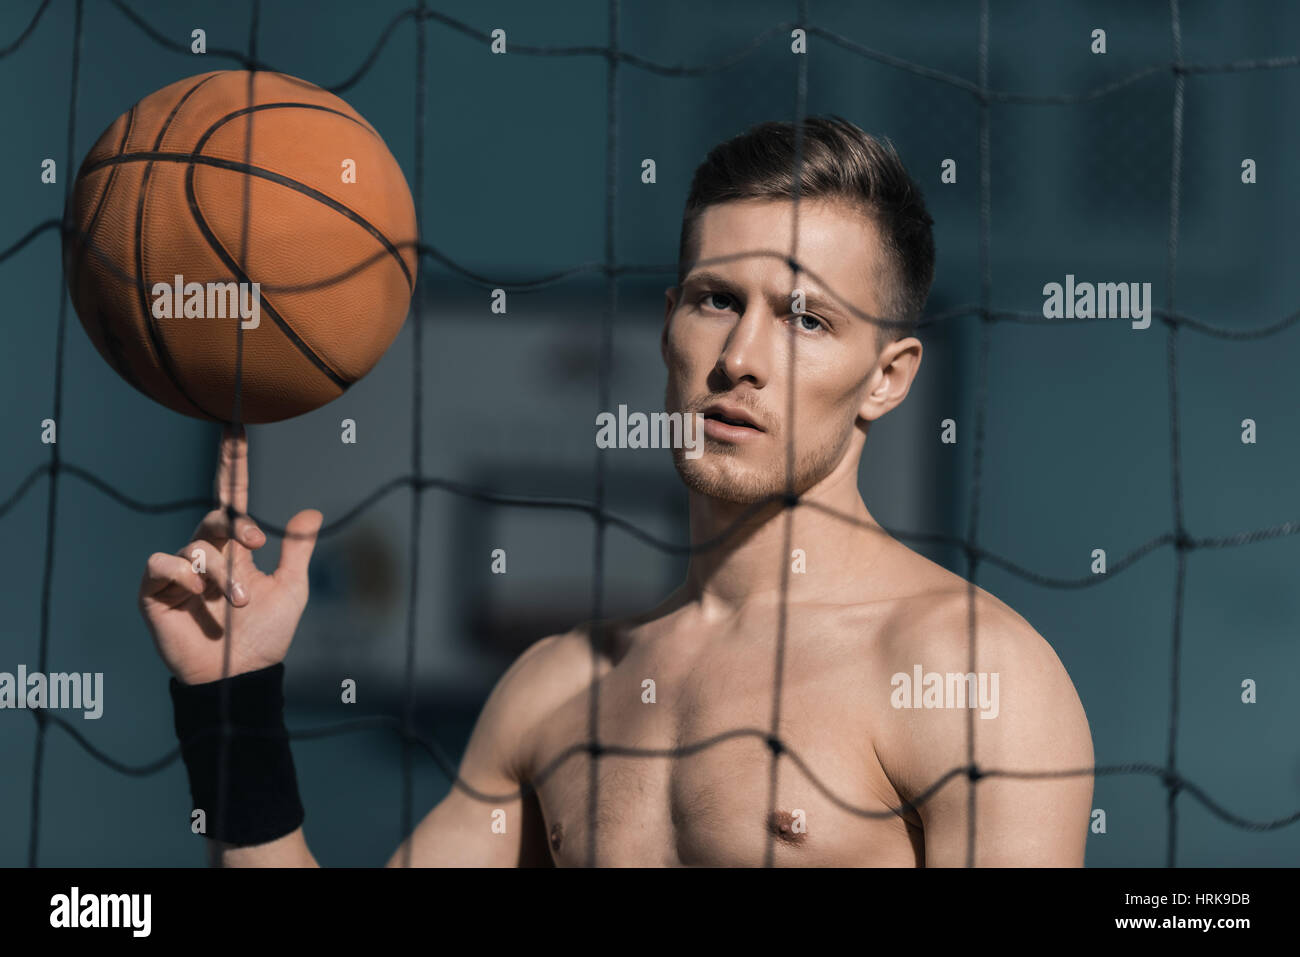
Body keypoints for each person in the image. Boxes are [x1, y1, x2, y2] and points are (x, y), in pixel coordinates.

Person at [139, 115, 1094, 867]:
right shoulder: (561, 688)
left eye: (806, 318)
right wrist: (233, 706)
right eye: (719, 300)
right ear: (671, 322)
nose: (742, 359)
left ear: (887, 377)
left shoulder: (975, 678)